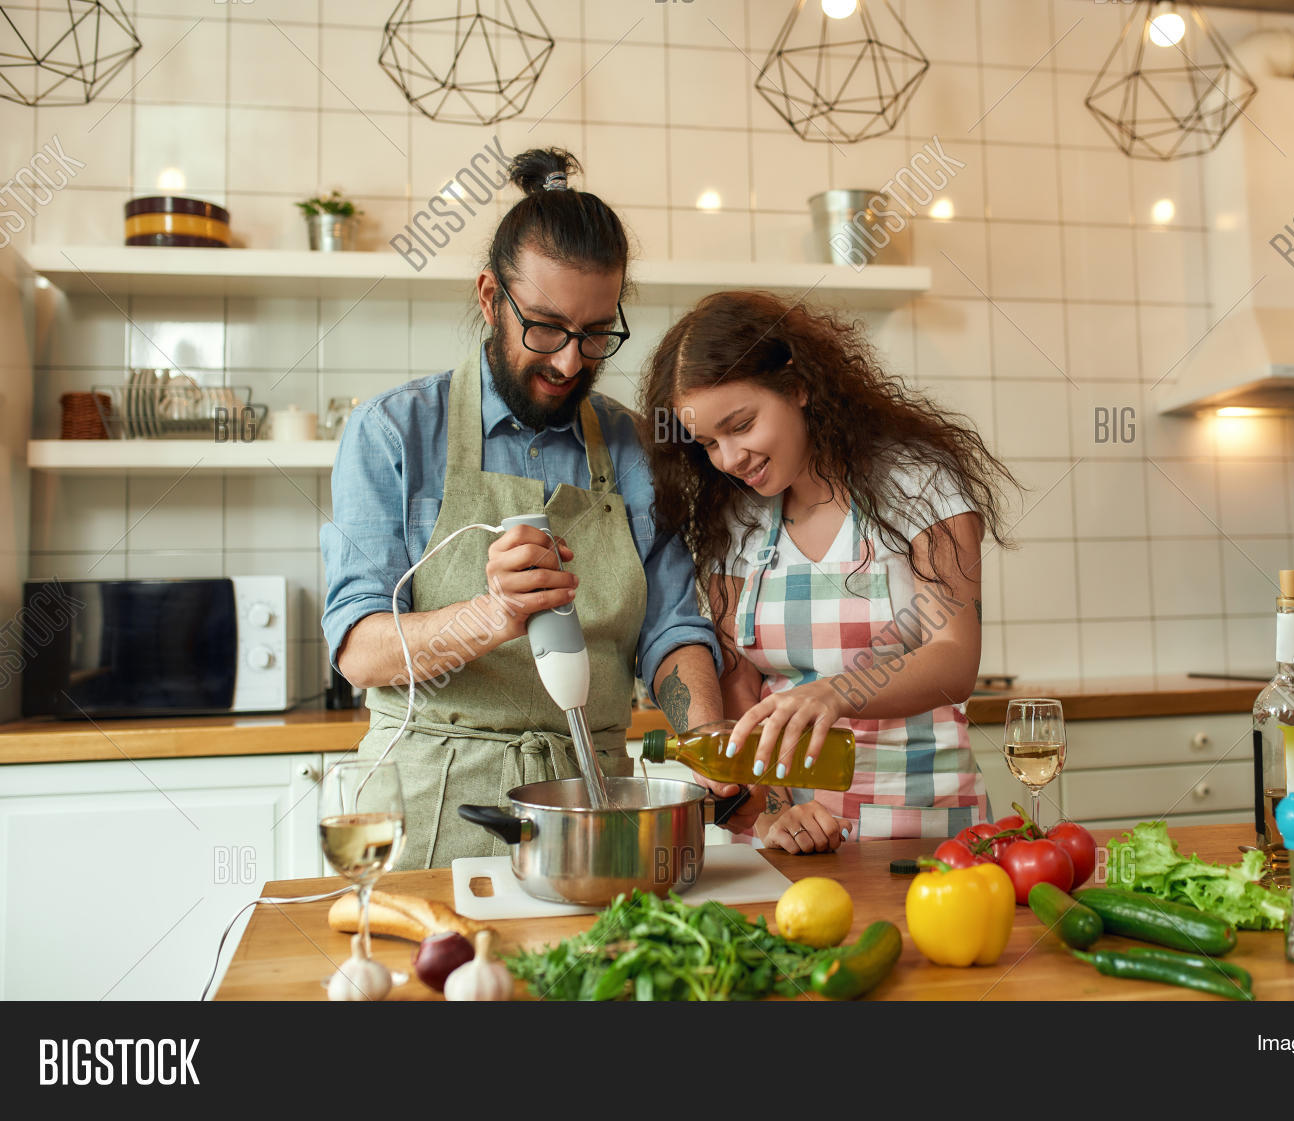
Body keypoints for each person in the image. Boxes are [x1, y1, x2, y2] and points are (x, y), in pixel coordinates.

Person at [320, 148, 760, 870]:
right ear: (491, 297)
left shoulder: (635, 446)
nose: (568, 362)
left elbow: (673, 629)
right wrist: (493, 613)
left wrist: (706, 740)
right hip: (434, 809)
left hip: (596, 807)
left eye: (594, 335)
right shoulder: (394, 433)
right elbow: (361, 650)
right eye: (547, 328)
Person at [642, 290, 1018, 852]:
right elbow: (738, 677)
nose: (728, 458)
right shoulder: (735, 516)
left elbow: (954, 657)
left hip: (925, 826)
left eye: (741, 425)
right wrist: (771, 812)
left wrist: (835, 693)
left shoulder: (918, 483)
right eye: (707, 443)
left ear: (797, 385)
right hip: (798, 833)